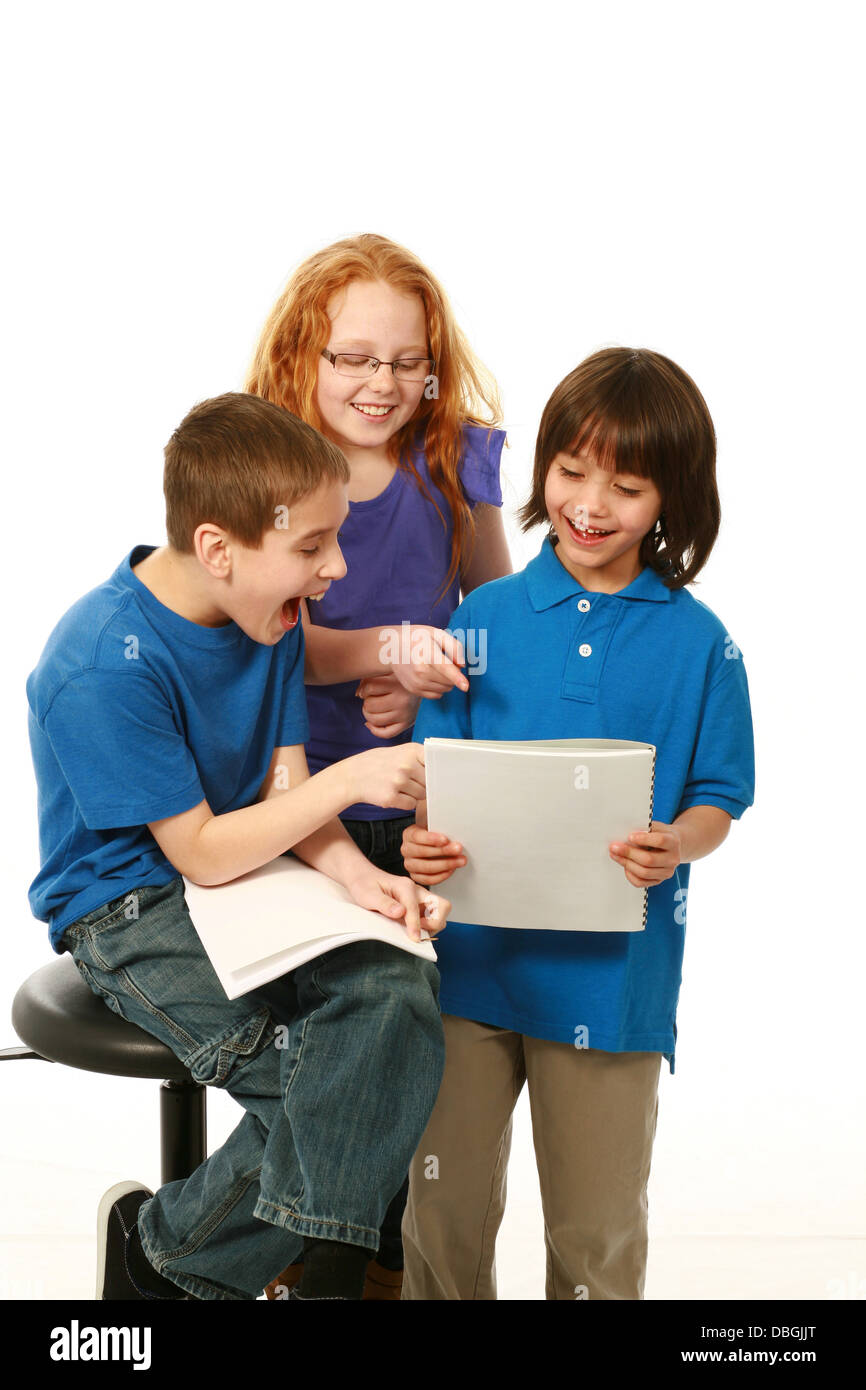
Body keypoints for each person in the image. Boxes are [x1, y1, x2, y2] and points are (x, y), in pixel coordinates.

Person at [25, 392, 450, 1302]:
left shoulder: (271, 618)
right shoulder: (101, 660)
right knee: (333, 1075)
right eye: (311, 548)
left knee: (397, 989)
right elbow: (202, 853)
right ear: (219, 548)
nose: (335, 569)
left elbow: (282, 790)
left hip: (247, 874)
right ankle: (295, 1275)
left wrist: (357, 879)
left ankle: (167, 1259)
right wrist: (352, 782)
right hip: (129, 907)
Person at [399, 347, 756, 1300]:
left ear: (672, 498)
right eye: (570, 473)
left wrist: (678, 840)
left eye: (627, 487)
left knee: (597, 1230)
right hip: (468, 967)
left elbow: (720, 794)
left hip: (612, 984)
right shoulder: (483, 617)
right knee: (439, 1212)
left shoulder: (703, 646)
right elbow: (435, 774)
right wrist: (421, 842)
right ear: (542, 468)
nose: (591, 505)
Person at [246, 232, 511, 1294]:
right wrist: (384, 647)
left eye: (406, 361)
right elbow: (258, 630)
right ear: (306, 353)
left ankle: (376, 1268)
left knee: (420, 1058)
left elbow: (496, 624)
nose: (382, 383)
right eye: (354, 357)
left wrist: (437, 666)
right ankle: (302, 1253)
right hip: (295, 799)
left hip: (428, 798)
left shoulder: (456, 459)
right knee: (338, 1049)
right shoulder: (266, 466)